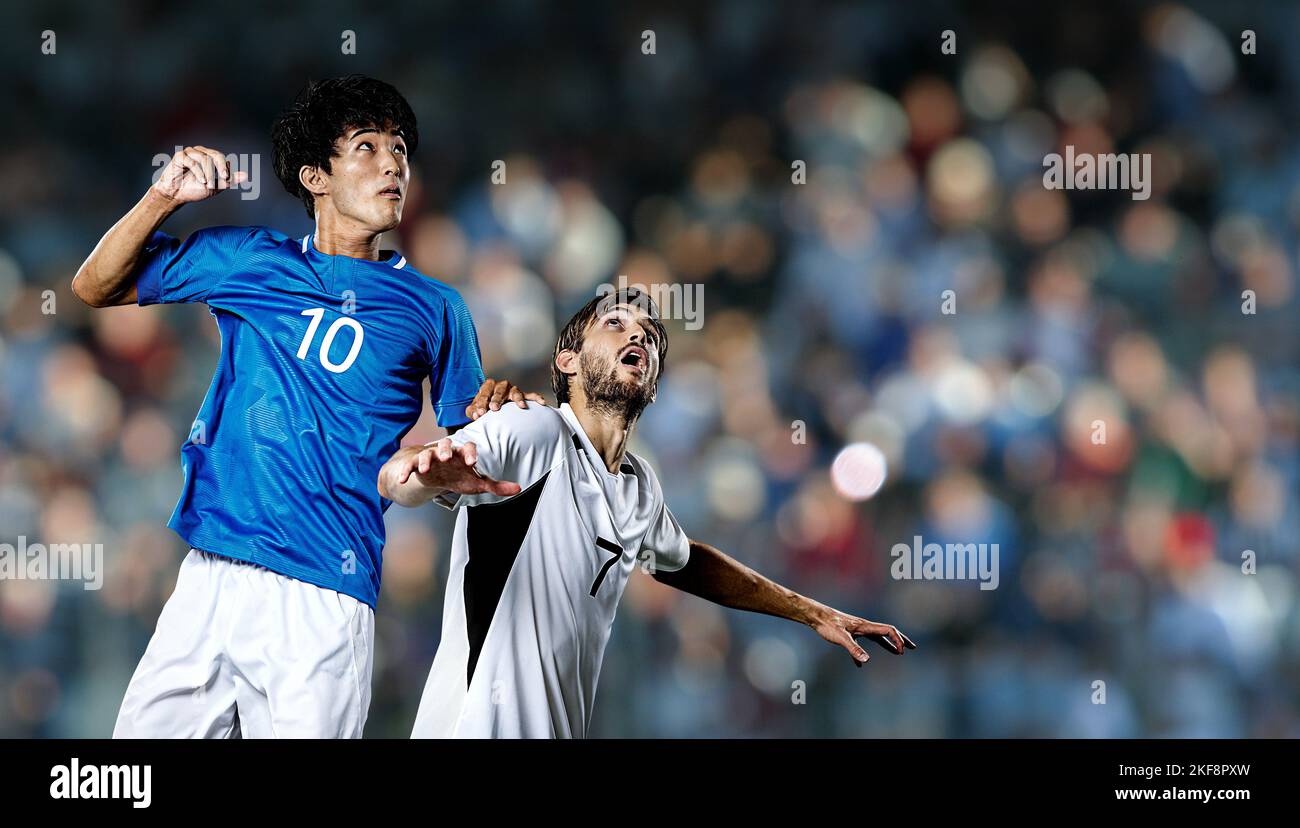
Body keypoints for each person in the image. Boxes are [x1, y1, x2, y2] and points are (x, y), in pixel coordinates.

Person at [72, 74, 541, 738]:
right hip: (209, 579)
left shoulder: (436, 309)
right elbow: (94, 286)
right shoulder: (245, 260)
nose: (392, 165)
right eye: (367, 147)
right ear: (316, 176)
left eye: (401, 149)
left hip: (323, 594)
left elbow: (461, 455)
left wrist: (482, 447)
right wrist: (162, 198)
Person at [379, 287, 915, 738]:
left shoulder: (638, 486)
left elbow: (688, 563)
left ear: (655, 384)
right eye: (614, 323)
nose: (638, 336)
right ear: (567, 361)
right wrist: (413, 474)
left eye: (651, 337)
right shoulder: (533, 430)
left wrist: (813, 612)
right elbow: (409, 478)